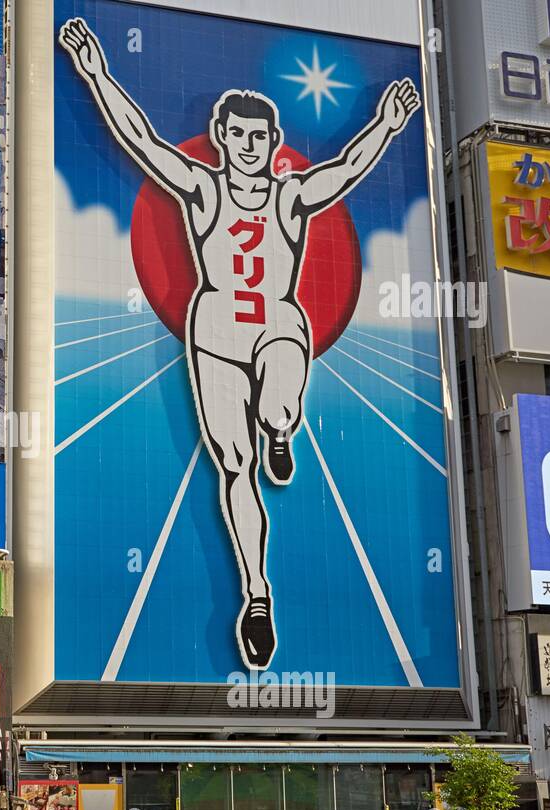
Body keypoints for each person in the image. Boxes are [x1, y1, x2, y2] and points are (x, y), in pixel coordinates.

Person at [60, 18, 419, 671]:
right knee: (233, 465)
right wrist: (95, 72)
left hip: (277, 321)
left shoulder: (290, 196)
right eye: (239, 134)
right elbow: (140, 139)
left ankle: (282, 424)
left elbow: (344, 171)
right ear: (222, 138)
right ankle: (257, 593)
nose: (249, 145)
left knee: (280, 385)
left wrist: (389, 126)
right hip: (216, 330)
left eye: (261, 136)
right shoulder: (201, 189)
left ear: (273, 142)